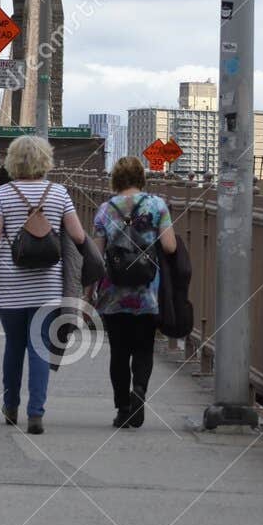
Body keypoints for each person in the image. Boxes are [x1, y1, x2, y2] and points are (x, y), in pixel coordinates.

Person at [0, 135, 86, 435]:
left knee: (14, 345)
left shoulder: (2, 194)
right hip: (48, 285)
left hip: (10, 285)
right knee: (40, 347)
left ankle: (10, 407)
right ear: (45, 160)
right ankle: (36, 413)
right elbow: (77, 235)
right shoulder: (59, 193)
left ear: (13, 161)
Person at [91, 156, 176, 429]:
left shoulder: (105, 210)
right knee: (143, 348)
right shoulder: (157, 205)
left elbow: (96, 254)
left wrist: (87, 292)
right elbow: (171, 247)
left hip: (113, 292)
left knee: (118, 351)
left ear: (115, 179)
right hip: (147, 292)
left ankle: (122, 408)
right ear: (141, 177)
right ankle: (139, 391)